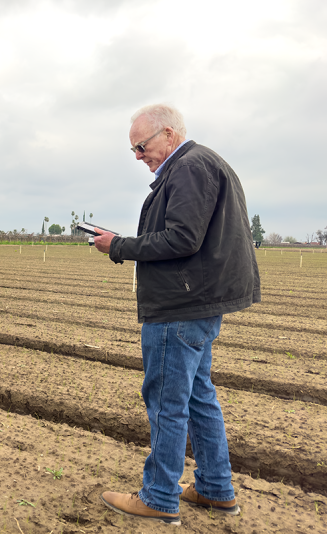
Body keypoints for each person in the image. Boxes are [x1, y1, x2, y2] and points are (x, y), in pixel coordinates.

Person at [93, 104, 261, 525]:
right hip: (198, 303)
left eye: (141, 146)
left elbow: (182, 238)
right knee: (199, 396)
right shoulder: (203, 163)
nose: (138, 155)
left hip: (180, 307)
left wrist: (118, 246)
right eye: (133, 149)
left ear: (168, 134)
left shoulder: (188, 166)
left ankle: (159, 497)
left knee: (167, 401)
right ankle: (215, 488)